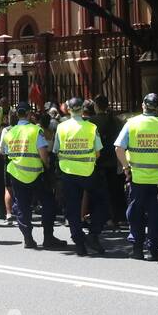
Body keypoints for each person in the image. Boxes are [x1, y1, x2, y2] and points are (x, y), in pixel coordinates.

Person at [114, 93, 158, 261]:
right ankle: (154, 250)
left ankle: (137, 248)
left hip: (137, 179)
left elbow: (118, 148)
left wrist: (126, 168)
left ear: (143, 105)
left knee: (136, 213)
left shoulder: (131, 124)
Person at [1, 102, 66, 250]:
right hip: (37, 174)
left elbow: (4, 151)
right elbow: (43, 153)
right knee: (48, 204)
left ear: (17, 115)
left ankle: (28, 239)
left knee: (23, 207)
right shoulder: (35, 130)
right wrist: (47, 165)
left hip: (17, 174)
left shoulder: (9, 132)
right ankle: (48, 238)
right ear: (30, 114)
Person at [52, 97, 106, 256]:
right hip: (88, 172)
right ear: (82, 109)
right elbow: (98, 153)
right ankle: (93, 234)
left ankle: (79, 243)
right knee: (102, 203)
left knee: (72, 209)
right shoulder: (91, 127)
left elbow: (56, 150)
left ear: (68, 109)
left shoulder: (61, 127)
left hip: (68, 172)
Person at [88, 94, 125, 232]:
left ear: (96, 106)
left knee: (100, 192)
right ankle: (116, 217)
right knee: (115, 191)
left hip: (99, 161)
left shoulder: (92, 122)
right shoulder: (117, 121)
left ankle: (104, 217)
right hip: (114, 161)